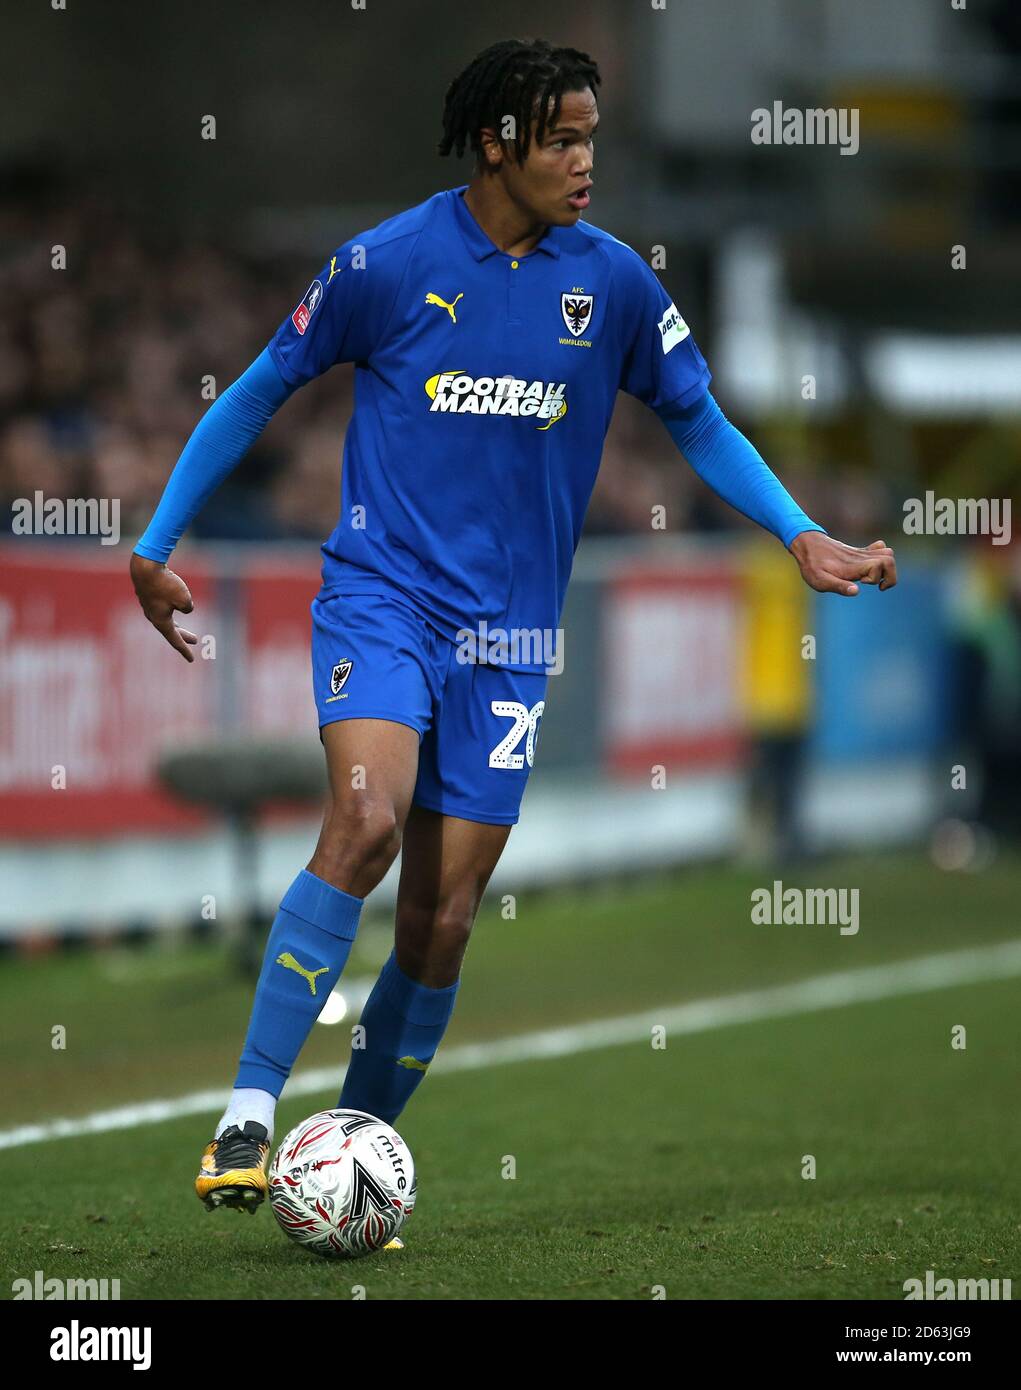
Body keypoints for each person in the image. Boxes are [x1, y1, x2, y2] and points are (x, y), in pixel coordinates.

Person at [129, 38, 897, 1236]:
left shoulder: (618, 287)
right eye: (564, 140)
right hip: (382, 598)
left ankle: (353, 1155)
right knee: (367, 818)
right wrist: (158, 540)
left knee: (442, 919)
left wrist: (797, 532)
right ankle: (245, 1110)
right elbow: (255, 390)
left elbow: (694, 417)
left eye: (592, 137)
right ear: (497, 144)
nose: (588, 163)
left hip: (510, 640)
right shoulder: (383, 263)